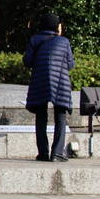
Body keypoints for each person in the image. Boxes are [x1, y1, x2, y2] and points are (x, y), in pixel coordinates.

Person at [23, 12, 75, 162]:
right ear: (56, 26)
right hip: (60, 82)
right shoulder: (64, 41)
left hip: (40, 81)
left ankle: (43, 153)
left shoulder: (34, 40)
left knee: (41, 117)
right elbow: (70, 64)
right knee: (60, 116)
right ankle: (57, 153)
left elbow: (27, 62)